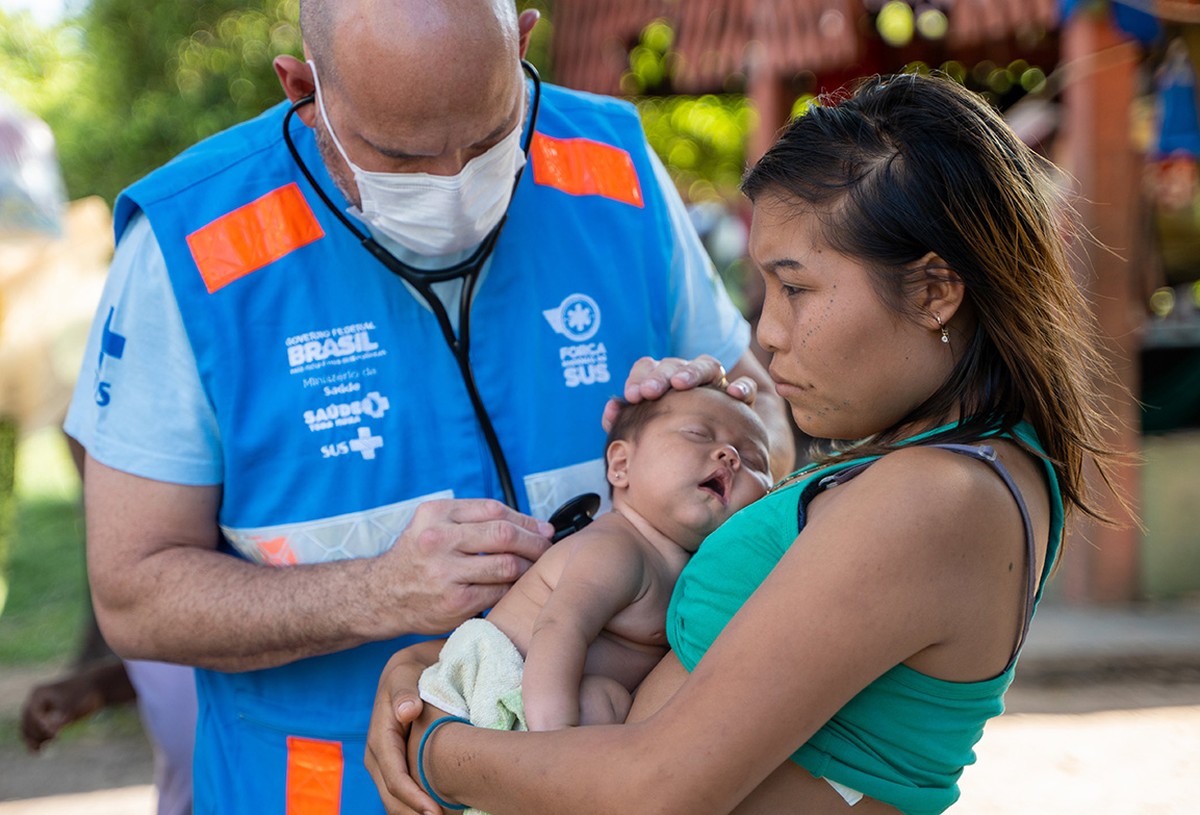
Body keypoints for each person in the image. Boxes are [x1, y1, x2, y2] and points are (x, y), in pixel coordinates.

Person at [63, 0, 793, 811]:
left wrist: (726, 420)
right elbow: (133, 592)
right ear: (304, 88)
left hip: (610, 769)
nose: (454, 184)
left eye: (488, 140)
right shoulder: (191, 243)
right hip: (323, 790)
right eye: (400, 157)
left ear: (520, 43)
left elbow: (775, 428)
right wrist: (371, 592)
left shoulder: (614, 165)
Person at [365, 72, 1129, 815]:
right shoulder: (932, 467)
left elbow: (656, 789)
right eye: (763, 291)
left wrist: (431, 747)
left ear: (935, 292)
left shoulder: (937, 496)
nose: (765, 331)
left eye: (795, 289)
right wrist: (707, 438)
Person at [420, 386, 771, 739]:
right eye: (698, 434)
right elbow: (559, 627)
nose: (729, 456)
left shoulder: (699, 568)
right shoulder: (616, 547)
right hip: (510, 694)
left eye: (754, 461)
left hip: (541, 705)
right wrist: (552, 741)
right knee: (602, 702)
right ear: (621, 465)